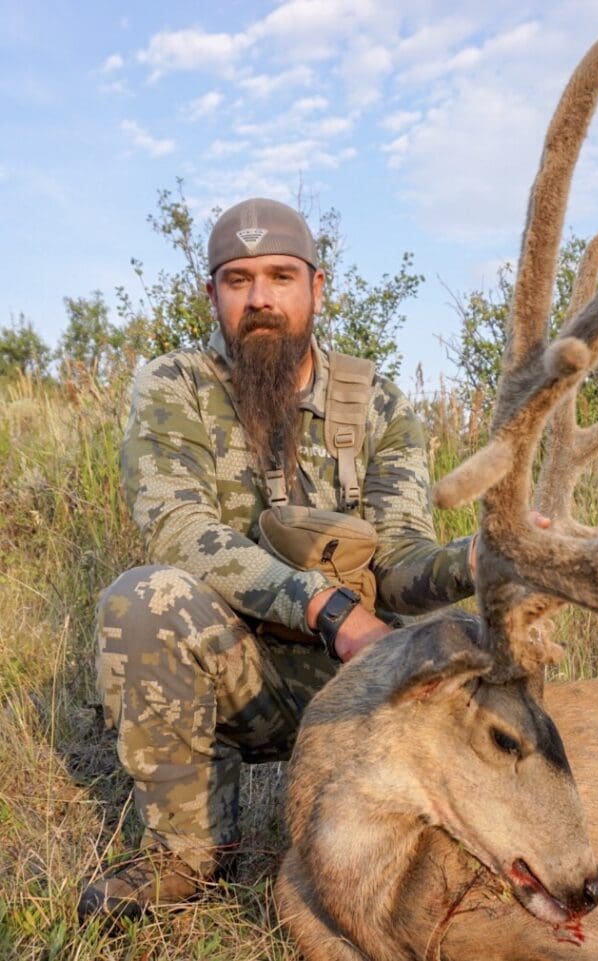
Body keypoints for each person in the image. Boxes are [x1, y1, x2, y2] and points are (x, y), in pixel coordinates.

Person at [78, 198, 477, 921]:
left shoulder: (378, 404)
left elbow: (403, 558)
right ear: (212, 295)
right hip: (240, 671)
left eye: (280, 276)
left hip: (362, 683)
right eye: (238, 280)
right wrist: (325, 609)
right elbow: (179, 528)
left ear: (316, 288)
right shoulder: (173, 389)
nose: (260, 298)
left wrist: (476, 561)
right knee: (144, 600)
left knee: (473, 646)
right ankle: (189, 856)